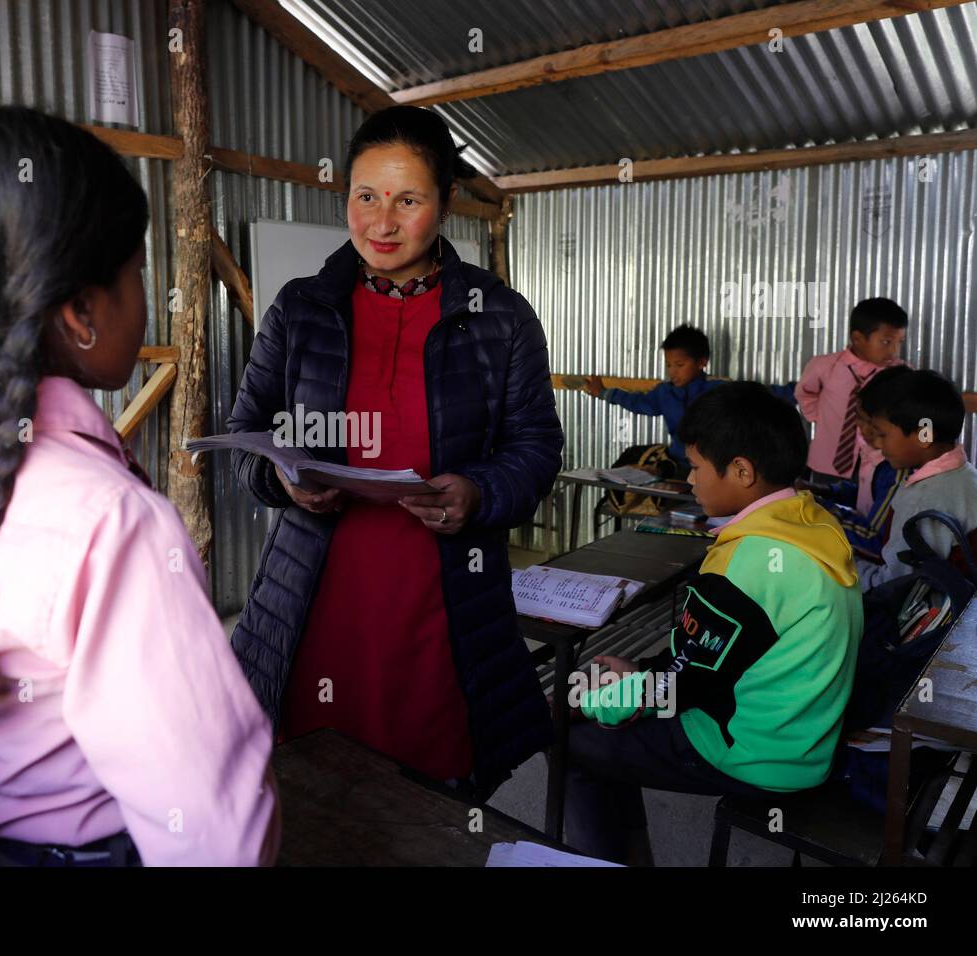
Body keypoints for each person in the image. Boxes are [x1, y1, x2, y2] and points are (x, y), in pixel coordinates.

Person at [0, 107, 278, 867]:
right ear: (83, 312)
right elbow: (218, 836)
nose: (146, 290)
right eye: (137, 271)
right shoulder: (113, 522)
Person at [227, 105, 563, 794]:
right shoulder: (299, 309)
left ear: (444, 203)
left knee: (431, 794)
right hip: (313, 599)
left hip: (442, 604)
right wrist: (282, 480)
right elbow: (243, 441)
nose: (381, 222)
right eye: (365, 196)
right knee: (311, 790)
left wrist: (480, 492)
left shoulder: (499, 317)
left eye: (408, 200)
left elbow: (535, 447)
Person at [564, 383, 862, 865]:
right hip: (803, 738)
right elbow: (708, 655)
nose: (691, 478)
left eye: (698, 467)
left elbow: (687, 687)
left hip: (755, 755)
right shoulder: (808, 524)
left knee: (573, 739)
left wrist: (598, 700)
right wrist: (639, 671)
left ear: (742, 471)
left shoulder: (752, 562)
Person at [857, 369, 977, 591]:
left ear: (924, 435)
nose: (880, 444)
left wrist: (846, 569)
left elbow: (895, 583)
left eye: (883, 435)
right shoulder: (968, 475)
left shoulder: (921, 498)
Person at [581, 324, 719, 478]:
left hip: (711, 467)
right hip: (677, 464)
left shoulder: (717, 391)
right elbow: (638, 402)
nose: (672, 371)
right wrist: (604, 393)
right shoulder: (665, 393)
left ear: (702, 362)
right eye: (668, 365)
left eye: (680, 365)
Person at [796, 297, 908, 485]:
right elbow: (805, 392)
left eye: (900, 343)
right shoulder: (824, 366)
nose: (894, 352)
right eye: (886, 342)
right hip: (828, 462)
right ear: (857, 338)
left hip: (876, 464)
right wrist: (821, 418)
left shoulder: (899, 375)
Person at [817, 364, 912, 562]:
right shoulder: (874, 451)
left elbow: (873, 538)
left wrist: (816, 508)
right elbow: (866, 496)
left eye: (866, 421)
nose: (860, 427)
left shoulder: (896, 470)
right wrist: (819, 490)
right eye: (857, 417)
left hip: (874, 564)